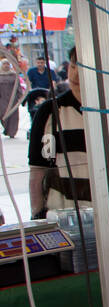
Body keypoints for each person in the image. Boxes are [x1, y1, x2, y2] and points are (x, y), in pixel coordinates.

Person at [28, 46, 91, 218]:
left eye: (84, 68)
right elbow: (38, 169)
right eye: (73, 66)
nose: (76, 75)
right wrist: (38, 215)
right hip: (62, 219)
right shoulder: (50, 112)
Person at [0, 60, 20, 139]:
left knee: (13, 116)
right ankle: (6, 129)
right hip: (2, 99)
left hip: (13, 99)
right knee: (3, 114)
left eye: (8, 64)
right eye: (4, 64)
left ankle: (12, 132)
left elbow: (18, 87)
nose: (6, 65)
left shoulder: (14, 75)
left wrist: (20, 97)